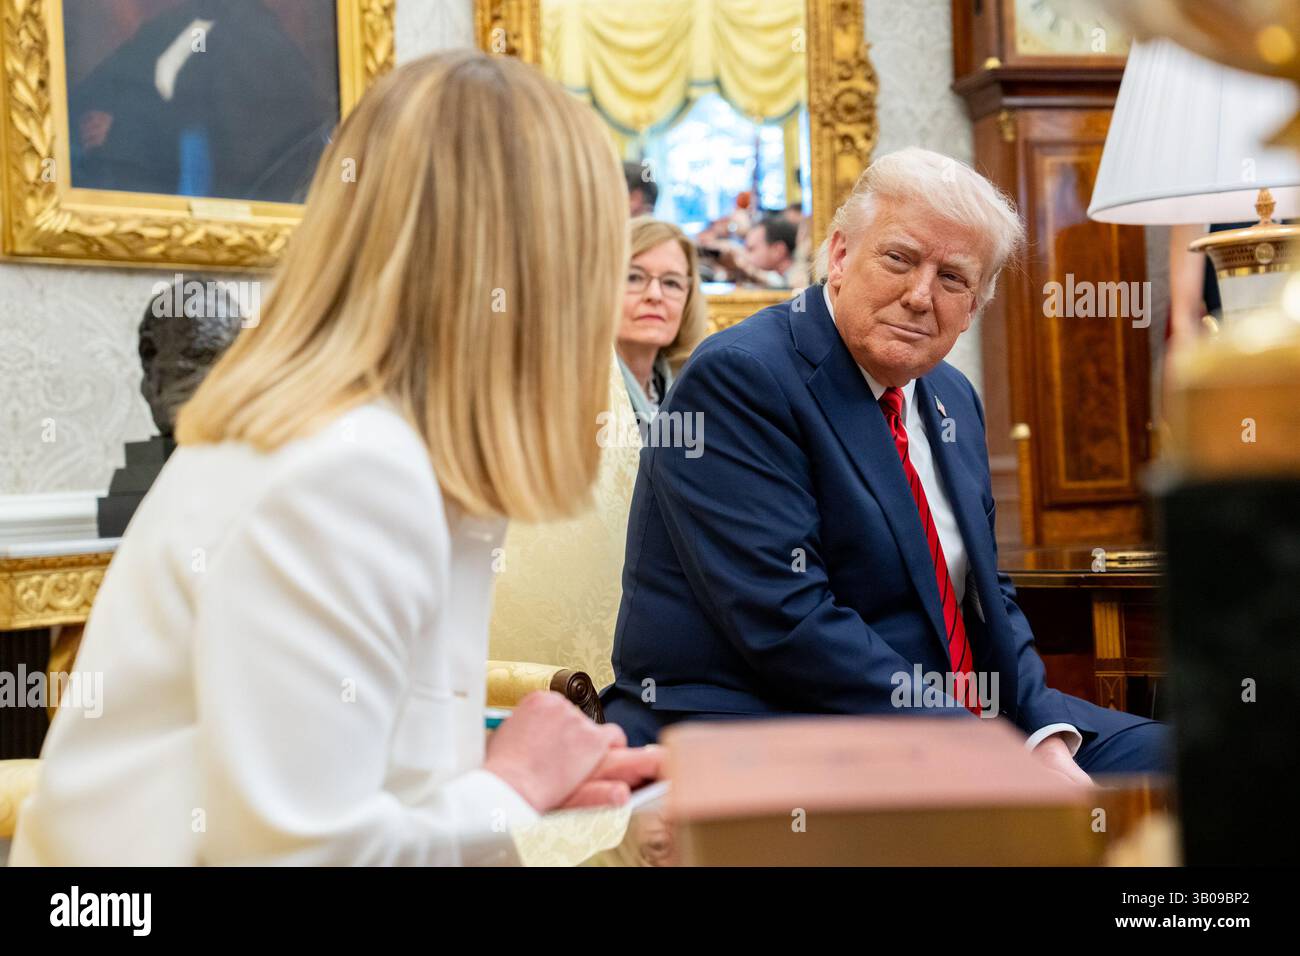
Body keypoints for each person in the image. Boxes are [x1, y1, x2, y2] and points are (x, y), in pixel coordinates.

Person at [14, 51, 659, 867]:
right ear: (550, 269)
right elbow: (308, 858)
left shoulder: (391, 452)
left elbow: (373, 793)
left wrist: (510, 785)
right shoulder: (346, 473)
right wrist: (512, 785)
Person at [601, 147, 1168, 782]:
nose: (921, 296)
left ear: (973, 307)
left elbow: (987, 594)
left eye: (954, 278)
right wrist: (982, 747)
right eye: (899, 259)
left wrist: (1041, 732)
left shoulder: (952, 396)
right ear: (840, 256)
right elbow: (790, 622)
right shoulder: (741, 378)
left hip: (947, 715)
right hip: (774, 722)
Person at [616, 217, 709, 418]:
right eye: (634, 277)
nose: (655, 295)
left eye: (671, 283)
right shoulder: (580, 388)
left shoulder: (691, 387)